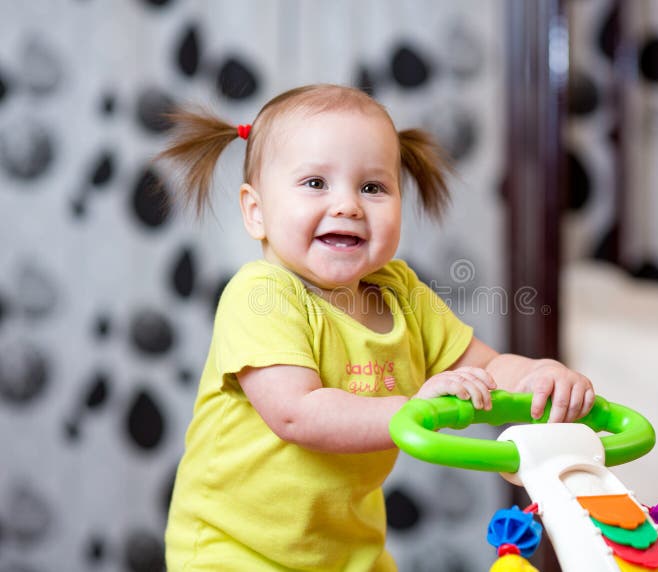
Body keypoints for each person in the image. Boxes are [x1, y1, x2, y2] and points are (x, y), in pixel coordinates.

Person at [159, 84, 594, 571]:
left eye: (373, 187)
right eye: (315, 184)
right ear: (255, 211)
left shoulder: (402, 293)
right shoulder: (261, 295)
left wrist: (537, 375)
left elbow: (488, 367)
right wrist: (414, 409)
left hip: (347, 553)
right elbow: (297, 414)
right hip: (235, 551)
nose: (348, 205)